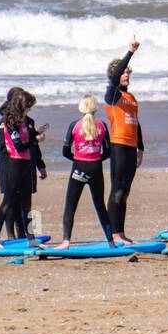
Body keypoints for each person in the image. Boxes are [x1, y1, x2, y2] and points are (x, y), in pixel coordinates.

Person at [56, 95, 115, 250]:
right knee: (100, 206)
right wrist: (96, 158)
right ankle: (111, 242)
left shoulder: (74, 125)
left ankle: (66, 242)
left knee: (71, 205)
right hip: (96, 168)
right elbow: (109, 151)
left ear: (81, 107)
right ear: (95, 108)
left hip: (79, 167)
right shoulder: (102, 125)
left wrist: (78, 159)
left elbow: (65, 151)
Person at [0, 89, 47, 249]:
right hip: (13, 166)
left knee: (27, 204)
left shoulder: (26, 122)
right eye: (28, 107)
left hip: (26, 165)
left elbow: (30, 140)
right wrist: (35, 139)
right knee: (8, 202)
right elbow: (19, 146)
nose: (29, 111)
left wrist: (37, 135)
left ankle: (31, 238)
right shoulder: (9, 123)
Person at [104, 38, 144, 245]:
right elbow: (114, 78)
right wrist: (130, 52)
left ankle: (121, 232)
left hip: (131, 147)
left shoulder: (131, 98)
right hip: (118, 145)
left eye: (129, 72)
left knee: (125, 192)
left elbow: (136, 123)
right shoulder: (112, 95)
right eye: (124, 72)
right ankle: (114, 233)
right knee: (117, 190)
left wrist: (141, 148)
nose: (127, 74)